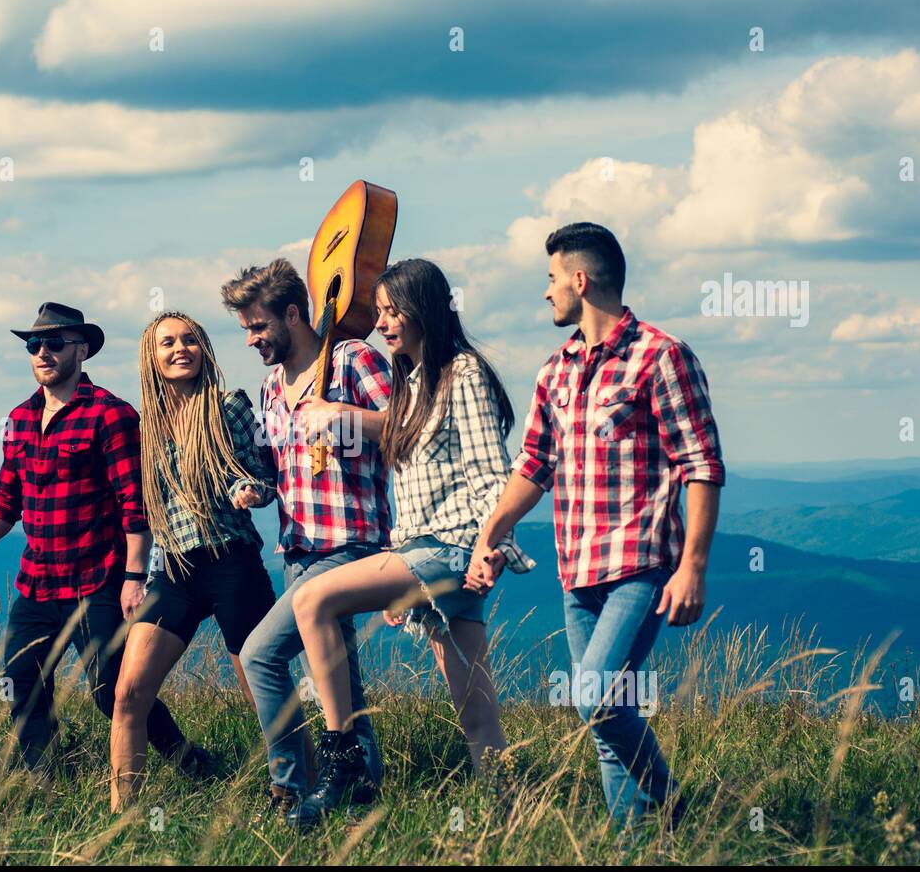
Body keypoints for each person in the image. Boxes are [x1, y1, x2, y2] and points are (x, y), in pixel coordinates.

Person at [468, 222, 725, 830]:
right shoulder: (555, 371)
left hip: (641, 564)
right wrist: (492, 530)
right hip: (576, 569)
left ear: (580, 281)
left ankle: (671, 806)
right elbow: (534, 464)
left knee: (595, 698)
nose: (547, 292)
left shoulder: (662, 356)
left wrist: (693, 566)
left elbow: (702, 464)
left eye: (552, 278)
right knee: (606, 719)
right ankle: (633, 842)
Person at [287, 258, 534, 827]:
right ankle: (509, 819)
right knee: (476, 712)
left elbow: (489, 474)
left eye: (394, 311)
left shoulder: (462, 374)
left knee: (312, 600)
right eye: (378, 314)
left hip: (449, 548)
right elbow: (407, 460)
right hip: (430, 549)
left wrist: (487, 549)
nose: (383, 324)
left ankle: (342, 753)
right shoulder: (416, 382)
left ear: (425, 308)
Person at [0, 302, 212, 782]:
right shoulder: (18, 418)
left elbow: (133, 505)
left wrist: (134, 577)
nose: (42, 352)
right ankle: (47, 781)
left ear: (81, 349)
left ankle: (188, 762)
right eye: (34, 345)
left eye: (54, 343)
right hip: (37, 583)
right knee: (19, 684)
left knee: (111, 689)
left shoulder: (111, 415)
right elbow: (5, 495)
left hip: (97, 582)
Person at [221, 259, 391, 822]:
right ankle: (361, 796)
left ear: (292, 314)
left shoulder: (350, 359)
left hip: (350, 543)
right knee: (340, 681)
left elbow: (407, 426)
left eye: (256, 325)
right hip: (297, 549)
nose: (250, 339)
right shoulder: (272, 386)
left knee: (259, 656)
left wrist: (340, 413)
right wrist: (255, 489)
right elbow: (277, 472)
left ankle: (289, 790)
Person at [109, 312, 278, 810]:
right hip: (176, 570)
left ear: (204, 349)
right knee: (128, 694)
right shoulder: (149, 429)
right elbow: (150, 508)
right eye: (167, 343)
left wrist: (251, 490)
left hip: (232, 563)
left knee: (264, 693)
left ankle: (293, 791)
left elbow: (266, 476)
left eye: (190, 340)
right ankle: (124, 815)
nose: (180, 349)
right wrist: (140, 575)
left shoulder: (230, 408)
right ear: (152, 358)